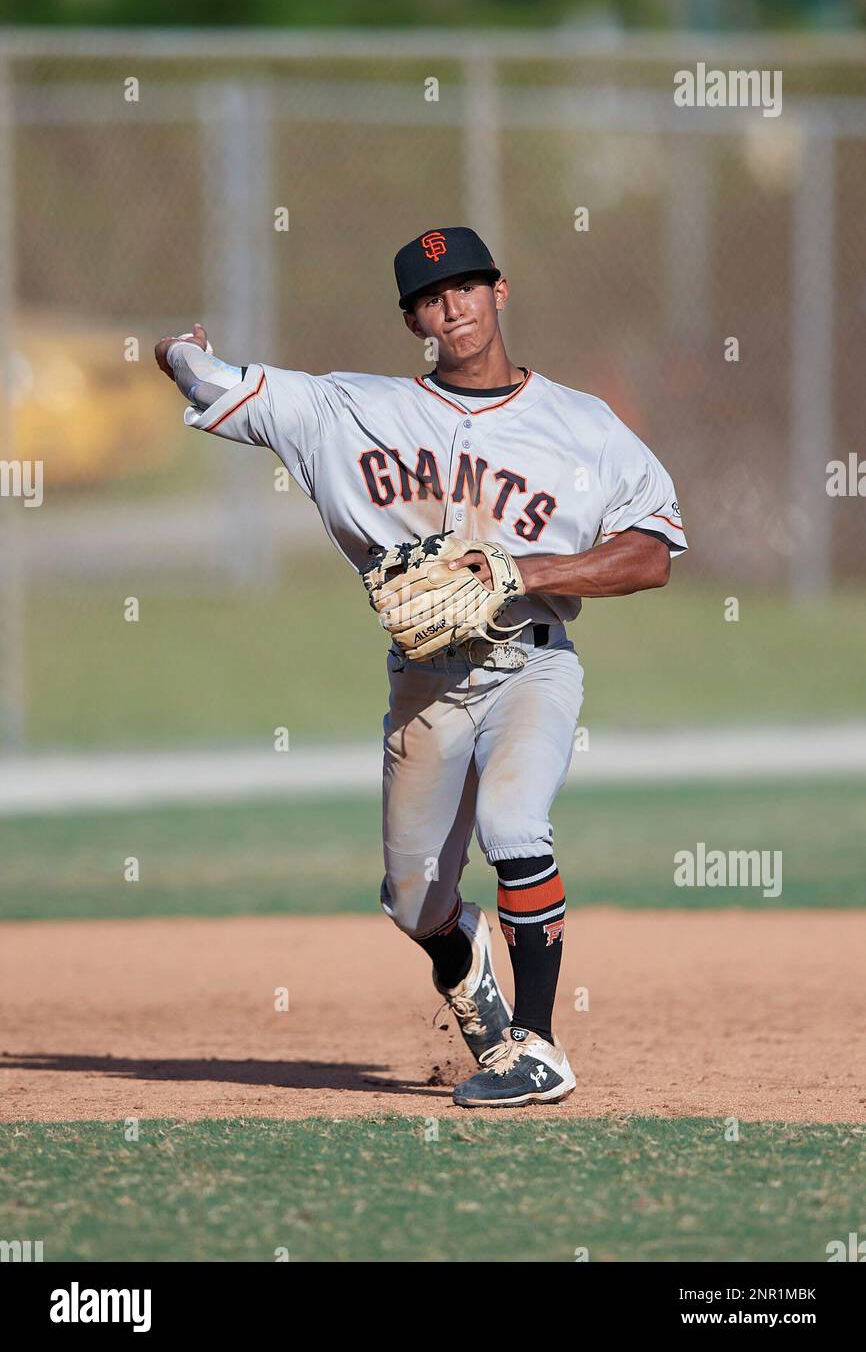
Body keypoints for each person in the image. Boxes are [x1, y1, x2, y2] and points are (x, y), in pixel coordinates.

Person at [155, 226, 687, 1107]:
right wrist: (178, 352)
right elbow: (224, 389)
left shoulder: (582, 425)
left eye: (469, 287)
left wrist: (529, 571)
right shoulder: (349, 411)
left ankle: (539, 1044)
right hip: (426, 685)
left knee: (516, 827)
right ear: (415, 320)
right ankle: (462, 958)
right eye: (434, 298)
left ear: (500, 292)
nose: (456, 306)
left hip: (531, 666)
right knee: (413, 903)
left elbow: (652, 553)